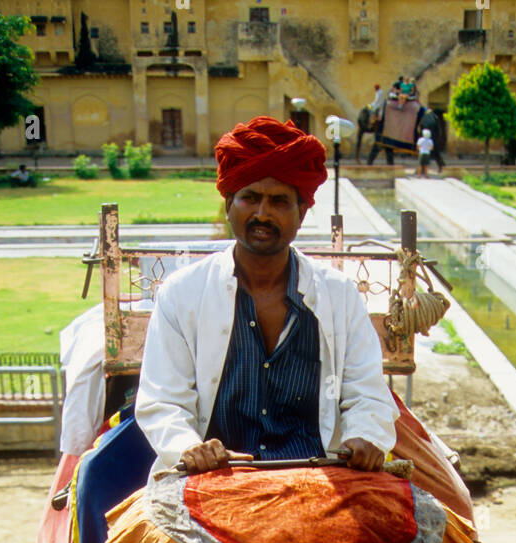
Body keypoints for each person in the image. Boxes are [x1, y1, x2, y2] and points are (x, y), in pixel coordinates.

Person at [135, 117, 397, 476]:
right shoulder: (182, 294)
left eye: (279, 201)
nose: (263, 214)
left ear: (301, 214)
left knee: (418, 527)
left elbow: (366, 392)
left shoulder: (339, 295)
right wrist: (188, 446)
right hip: (214, 476)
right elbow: (163, 400)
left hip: (319, 475)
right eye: (251, 198)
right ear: (229, 204)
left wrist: (364, 435)